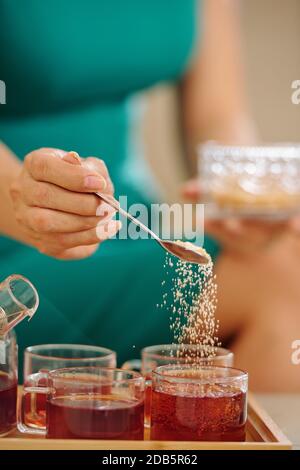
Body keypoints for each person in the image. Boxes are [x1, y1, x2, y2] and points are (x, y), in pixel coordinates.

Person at [0, 0, 299, 390]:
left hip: (132, 221)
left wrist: (246, 200)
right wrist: (22, 198)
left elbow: (218, 114)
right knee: (284, 279)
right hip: (16, 233)